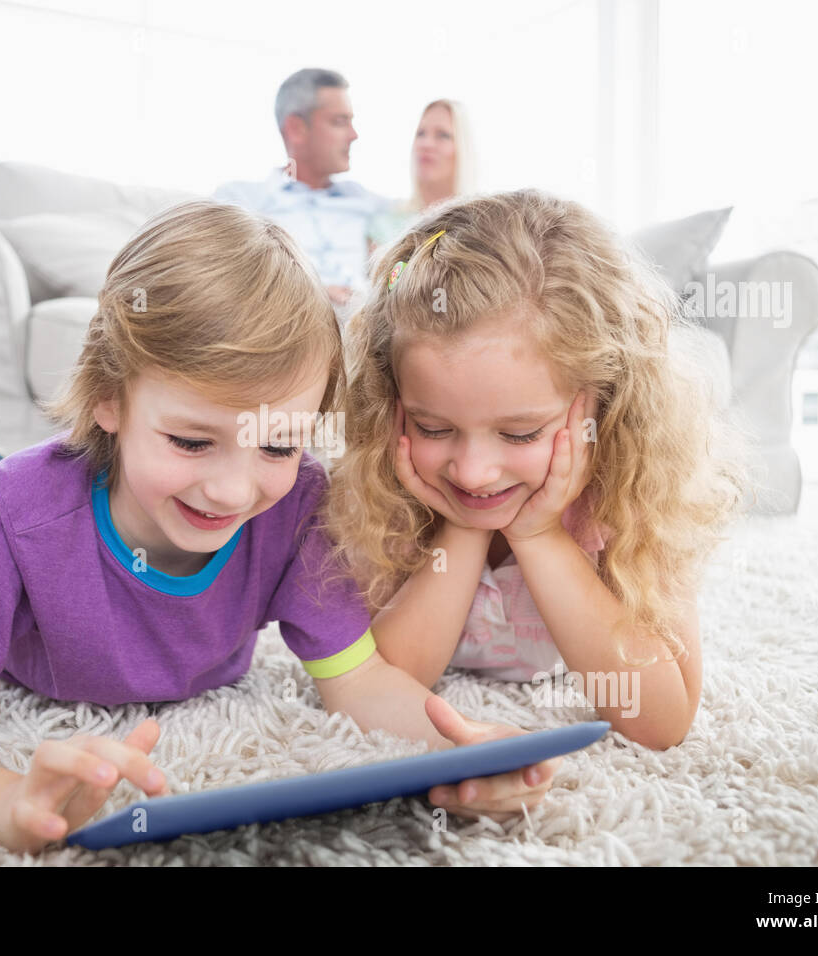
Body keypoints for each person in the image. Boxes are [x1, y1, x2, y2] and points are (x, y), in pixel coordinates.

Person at [0, 199, 562, 853]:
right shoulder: (22, 519)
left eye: (278, 444)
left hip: (62, 496)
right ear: (107, 396)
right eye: (190, 439)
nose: (230, 488)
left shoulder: (296, 510)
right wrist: (2, 801)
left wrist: (457, 745)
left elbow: (361, 684)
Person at [324, 190, 752, 770]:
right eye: (432, 426)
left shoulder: (633, 500)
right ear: (394, 403)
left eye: (521, 434)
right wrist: (464, 529)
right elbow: (376, 685)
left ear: (606, 405)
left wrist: (540, 537)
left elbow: (663, 722)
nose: (473, 472)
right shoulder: (390, 493)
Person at [214, 68, 389, 317]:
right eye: (340, 122)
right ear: (296, 129)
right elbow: (225, 279)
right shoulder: (241, 201)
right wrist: (311, 292)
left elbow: (427, 220)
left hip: (364, 329)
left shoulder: (366, 202)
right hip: (285, 323)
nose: (354, 135)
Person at [366, 98, 476, 257]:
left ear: (463, 148)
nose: (426, 144)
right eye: (420, 133)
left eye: (442, 135)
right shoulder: (384, 225)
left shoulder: (481, 225)